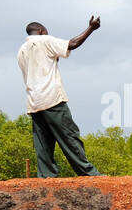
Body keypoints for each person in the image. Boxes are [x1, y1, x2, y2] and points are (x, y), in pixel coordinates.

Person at [16, 17, 101, 177]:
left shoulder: (21, 51)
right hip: (51, 97)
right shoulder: (44, 40)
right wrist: (91, 28)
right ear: (41, 31)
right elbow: (72, 44)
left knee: (43, 142)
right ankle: (88, 172)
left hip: (34, 102)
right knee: (69, 135)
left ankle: (46, 176)